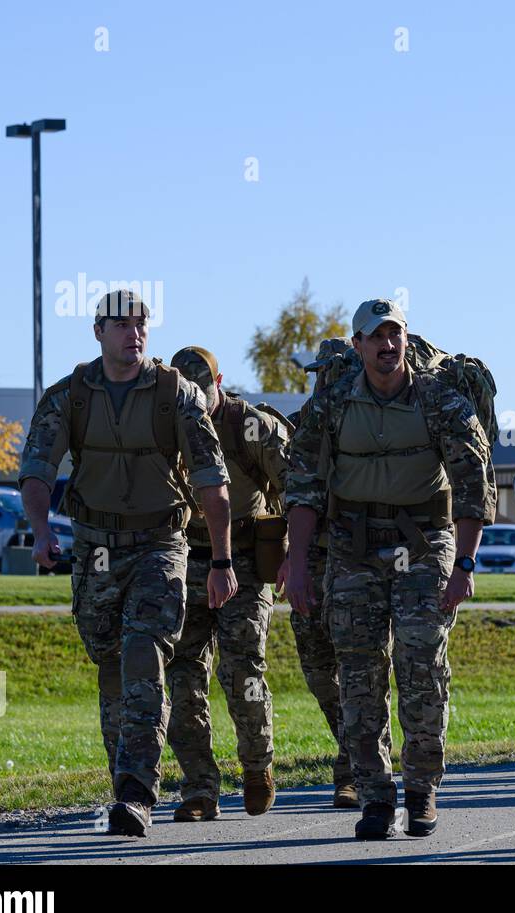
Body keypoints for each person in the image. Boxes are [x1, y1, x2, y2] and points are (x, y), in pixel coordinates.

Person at [18, 290, 235, 836]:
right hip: (94, 546)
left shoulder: (177, 395)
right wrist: (42, 531)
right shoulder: (70, 396)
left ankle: (137, 789)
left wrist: (222, 560)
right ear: (98, 332)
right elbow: (38, 468)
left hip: (161, 544)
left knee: (144, 654)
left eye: (141, 323)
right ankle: (124, 782)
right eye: (121, 325)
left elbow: (212, 479)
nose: (133, 333)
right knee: (110, 661)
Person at [282, 298, 494, 840]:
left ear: (406, 338)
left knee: (420, 663)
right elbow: (303, 489)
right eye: (375, 336)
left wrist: (465, 563)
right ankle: (375, 795)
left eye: (394, 333)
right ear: (357, 346)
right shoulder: (331, 407)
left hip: (424, 547)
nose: (387, 344)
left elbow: (474, 486)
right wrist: (299, 564)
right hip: (353, 550)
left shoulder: (440, 402)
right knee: (358, 675)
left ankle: (421, 789)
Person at [164, 346, 290, 820]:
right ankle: (199, 788)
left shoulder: (252, 426)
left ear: (222, 381)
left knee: (242, 673)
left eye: (206, 388)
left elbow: (299, 488)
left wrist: (292, 557)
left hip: (247, 560)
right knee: (183, 678)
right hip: (187, 558)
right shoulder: (170, 420)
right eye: (189, 391)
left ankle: (257, 768)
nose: (199, 398)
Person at [286, 337, 362, 808]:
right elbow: (282, 495)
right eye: (322, 374)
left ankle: (352, 769)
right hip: (311, 559)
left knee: (359, 664)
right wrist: (287, 558)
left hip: (358, 557)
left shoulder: (367, 423)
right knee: (318, 670)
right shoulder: (298, 428)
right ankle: (355, 742)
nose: (326, 381)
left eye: (336, 372)